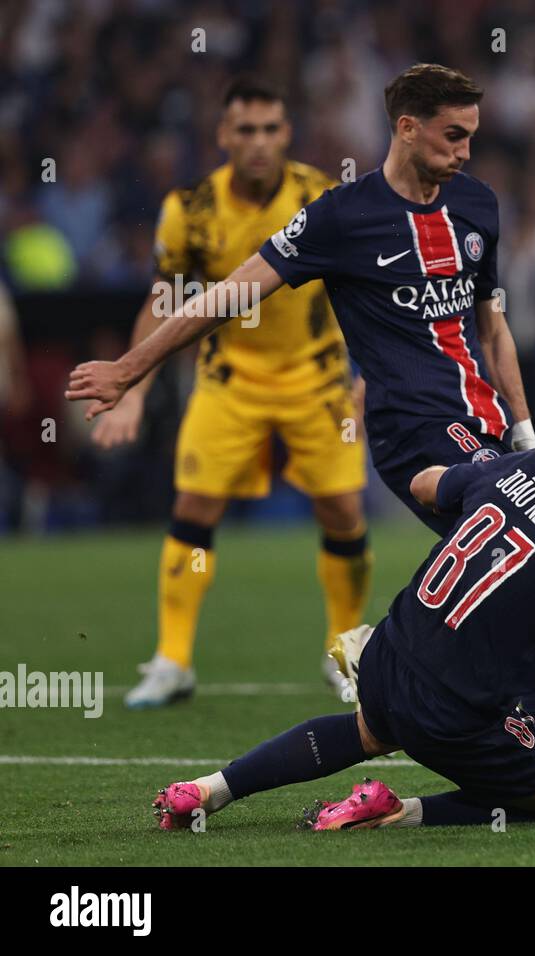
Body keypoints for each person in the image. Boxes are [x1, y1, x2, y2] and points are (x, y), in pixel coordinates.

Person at [66, 63, 535, 793]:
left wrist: (523, 433)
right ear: (406, 127)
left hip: (483, 424)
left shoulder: (479, 206)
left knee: (534, 567)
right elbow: (229, 294)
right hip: (411, 430)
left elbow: (493, 327)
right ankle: (383, 657)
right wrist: (131, 369)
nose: (466, 152)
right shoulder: (340, 217)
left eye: (473, 136)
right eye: (453, 136)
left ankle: (523, 735)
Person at [150, 376, 535, 832]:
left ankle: (210, 788)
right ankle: (397, 811)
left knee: (368, 731)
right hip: (454, 713)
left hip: (385, 656)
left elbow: (426, 485)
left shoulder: (523, 466)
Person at [88, 77, 370, 707]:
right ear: (223, 135)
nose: (259, 142)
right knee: (194, 508)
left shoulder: (322, 197)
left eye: (271, 129)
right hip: (228, 380)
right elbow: (164, 301)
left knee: (344, 512)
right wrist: (133, 387)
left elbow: (366, 295)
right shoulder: (188, 209)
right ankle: (173, 660)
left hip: (316, 377)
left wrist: (363, 378)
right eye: (245, 130)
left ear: (287, 133)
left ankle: (344, 648)